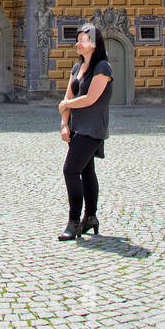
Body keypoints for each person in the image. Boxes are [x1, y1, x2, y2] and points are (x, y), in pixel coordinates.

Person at [57, 23, 113, 240]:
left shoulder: (103, 68)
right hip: (77, 128)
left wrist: (66, 106)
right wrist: (64, 123)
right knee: (87, 171)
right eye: (78, 38)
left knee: (70, 170)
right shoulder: (76, 68)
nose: (78, 43)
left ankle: (73, 222)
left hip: (93, 128)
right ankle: (90, 217)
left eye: (83, 39)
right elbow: (67, 98)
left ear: (94, 44)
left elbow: (91, 98)